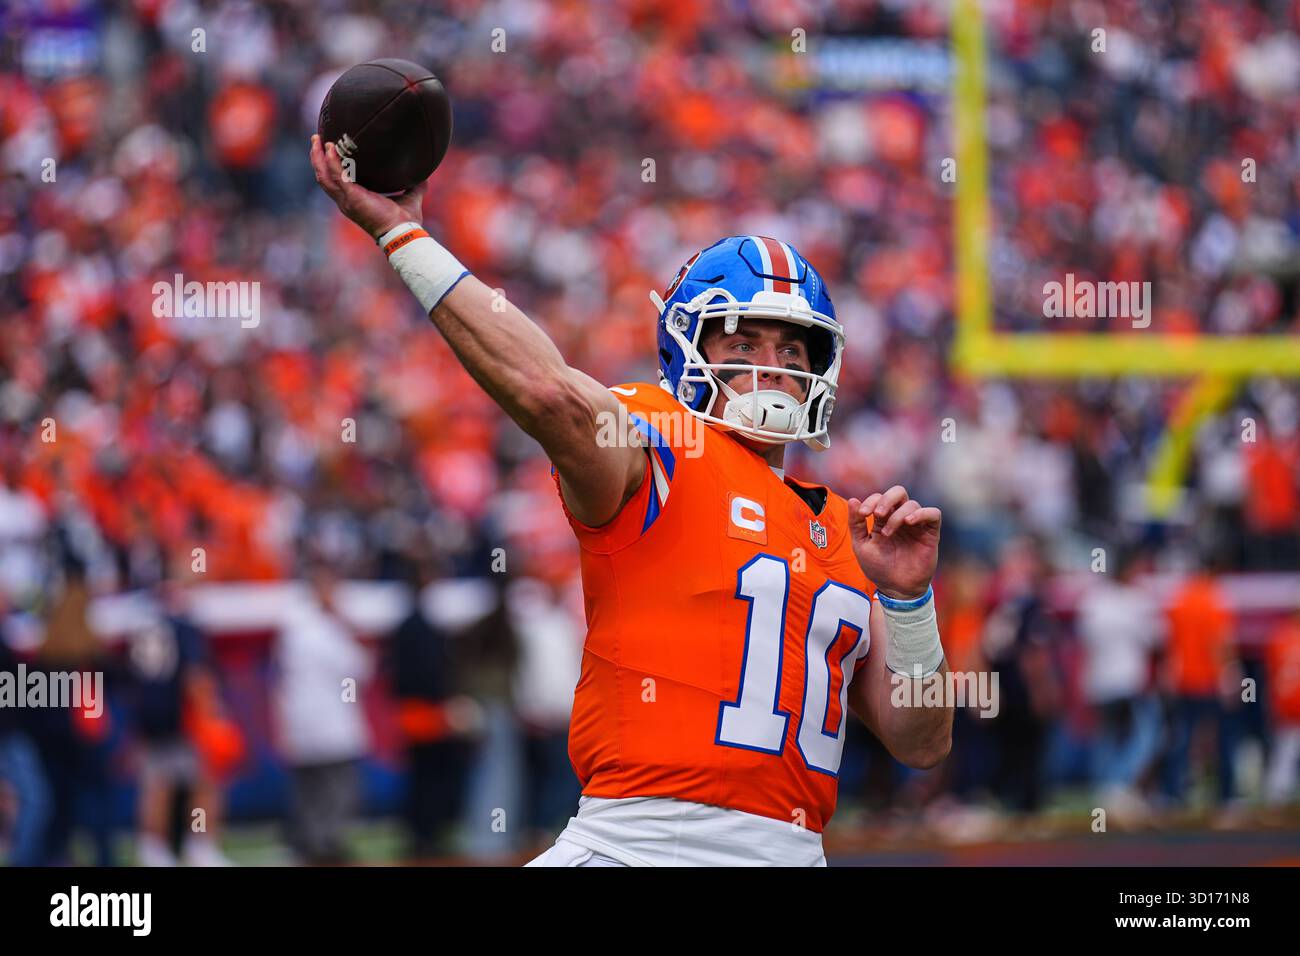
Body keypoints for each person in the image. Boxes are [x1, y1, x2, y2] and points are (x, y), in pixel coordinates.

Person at [310, 136, 952, 867]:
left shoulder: (849, 531)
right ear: (691, 351)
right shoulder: (663, 443)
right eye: (745, 343)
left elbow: (922, 741)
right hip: (638, 844)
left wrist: (910, 604)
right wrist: (405, 235)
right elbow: (549, 392)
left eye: (794, 351)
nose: (773, 368)